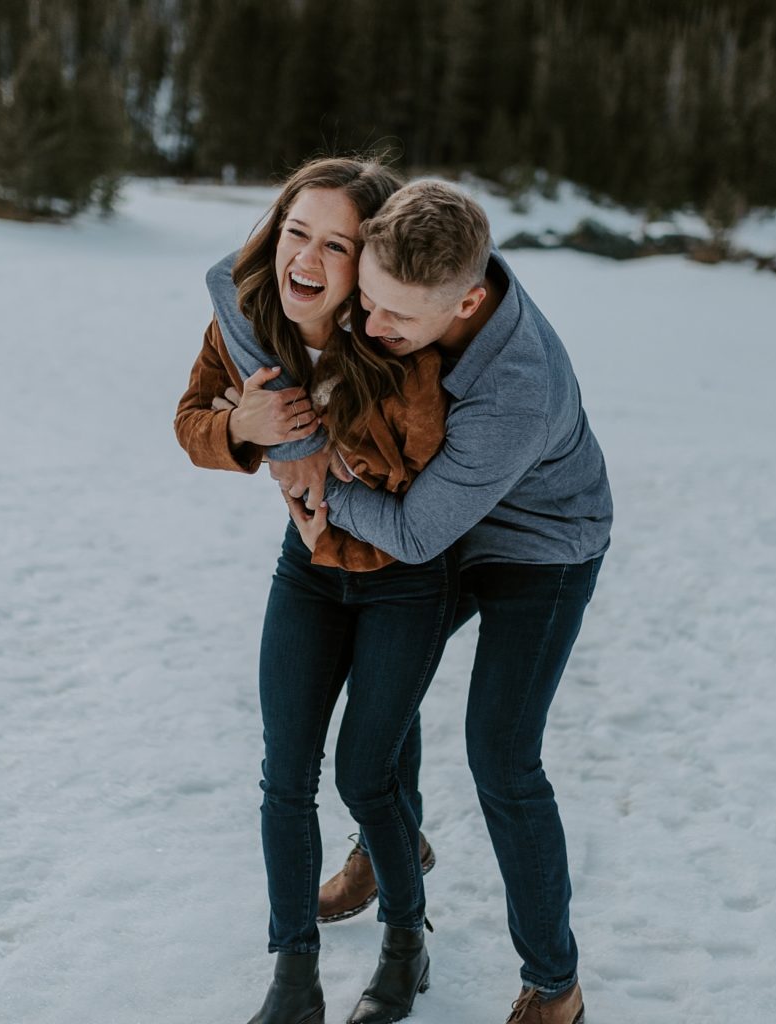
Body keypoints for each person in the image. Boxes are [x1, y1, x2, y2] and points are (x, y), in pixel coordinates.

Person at [206, 181, 612, 1024]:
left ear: (467, 301)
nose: (372, 329)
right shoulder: (424, 249)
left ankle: (554, 986)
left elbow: (417, 535)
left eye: (397, 319)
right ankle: (388, 844)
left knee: (503, 757)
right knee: (388, 664)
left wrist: (307, 468)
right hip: (444, 514)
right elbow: (233, 283)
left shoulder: (515, 392)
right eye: (370, 304)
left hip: (538, 545)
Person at [174, 156, 457, 1024]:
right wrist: (245, 428)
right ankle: (293, 981)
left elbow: (421, 471)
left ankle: (407, 945)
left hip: (406, 583)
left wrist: (323, 448)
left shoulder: (400, 346)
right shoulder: (249, 321)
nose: (308, 257)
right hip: (308, 572)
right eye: (298, 232)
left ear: (367, 263)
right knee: (284, 775)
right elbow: (192, 422)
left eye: (337, 245)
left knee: (368, 775)